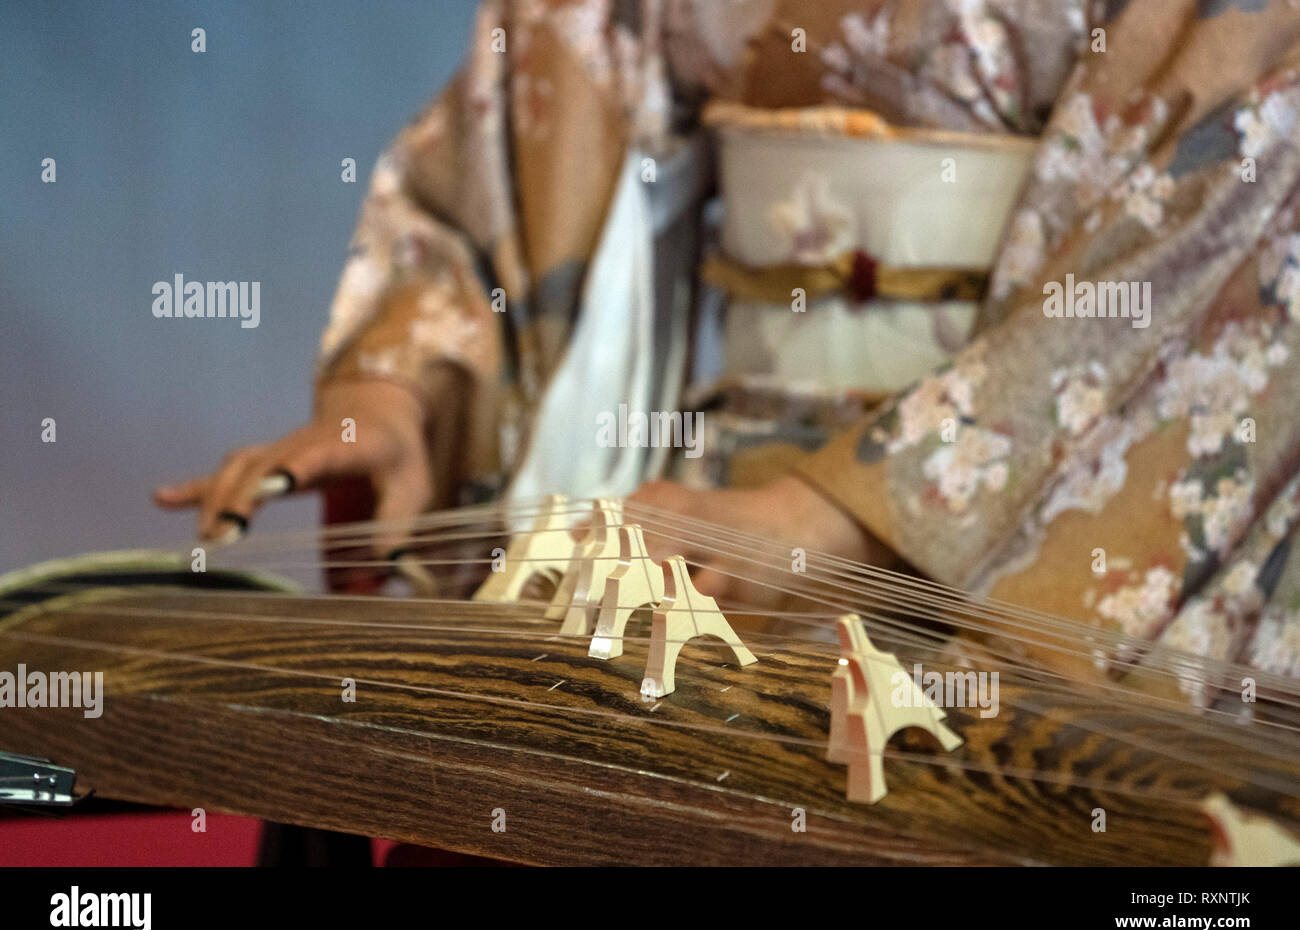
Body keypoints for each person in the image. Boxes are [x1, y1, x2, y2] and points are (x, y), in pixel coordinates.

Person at [155, 1, 1300, 699]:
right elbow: (520, 132)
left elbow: (1232, 197)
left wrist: (835, 518)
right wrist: (397, 393)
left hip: (1000, 528)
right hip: (701, 518)